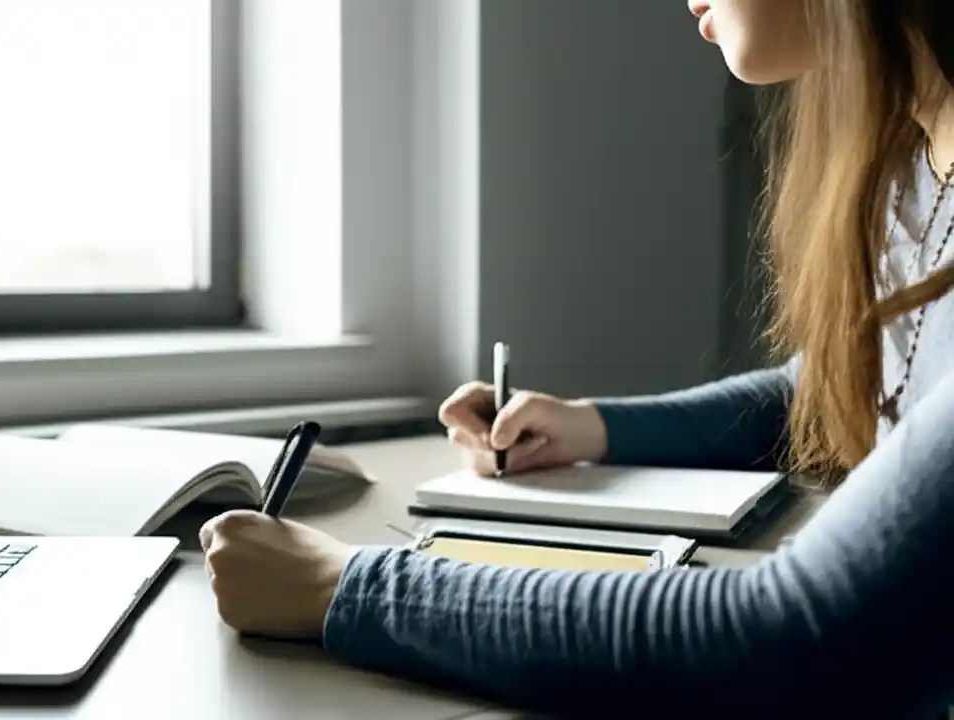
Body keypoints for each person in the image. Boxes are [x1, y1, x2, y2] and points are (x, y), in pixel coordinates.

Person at [199, 1, 954, 715]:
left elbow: (795, 643)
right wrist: (593, 428)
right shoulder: (914, 166)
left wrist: (344, 585)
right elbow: (836, 387)